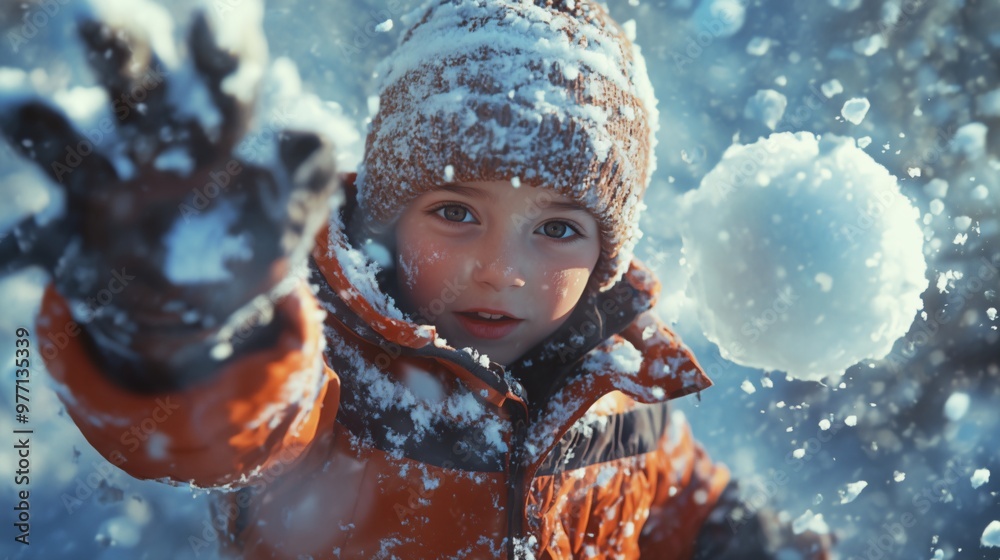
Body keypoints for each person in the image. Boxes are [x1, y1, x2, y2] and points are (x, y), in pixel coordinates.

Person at [4, 0, 833, 558]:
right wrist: (180, 328)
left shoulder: (616, 387)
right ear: (387, 217)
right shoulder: (328, 366)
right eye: (455, 211)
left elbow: (675, 495)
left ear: (607, 258)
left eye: (556, 229)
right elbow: (223, 420)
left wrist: (744, 540)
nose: (501, 268)